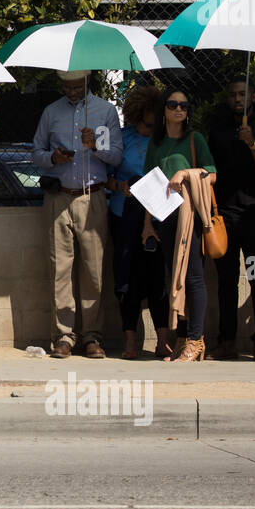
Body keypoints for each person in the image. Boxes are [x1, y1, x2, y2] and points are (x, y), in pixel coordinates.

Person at [32, 70, 124, 358]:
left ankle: (92, 337)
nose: (71, 92)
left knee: (93, 271)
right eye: (67, 88)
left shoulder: (105, 111)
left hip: (92, 196)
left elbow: (117, 155)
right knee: (59, 269)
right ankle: (63, 336)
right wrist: (52, 158)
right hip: (60, 197)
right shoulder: (50, 112)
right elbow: (36, 152)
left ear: (87, 84)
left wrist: (95, 146)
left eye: (76, 88)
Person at [207, 79, 255, 361]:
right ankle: (226, 341)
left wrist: (252, 143)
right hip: (226, 216)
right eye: (233, 94)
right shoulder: (218, 129)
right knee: (226, 281)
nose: (237, 99)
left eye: (242, 94)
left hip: (254, 216)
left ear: (254, 96)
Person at [142, 87, 217, 362]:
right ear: (163, 109)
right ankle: (183, 337)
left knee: (194, 277)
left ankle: (196, 340)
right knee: (173, 277)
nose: (178, 109)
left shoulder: (195, 139)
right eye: (173, 104)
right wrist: (147, 223)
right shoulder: (156, 143)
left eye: (184, 106)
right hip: (164, 216)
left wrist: (186, 172)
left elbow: (212, 174)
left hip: (191, 216)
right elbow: (149, 181)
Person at [106, 85, 166, 360]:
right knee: (127, 279)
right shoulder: (123, 138)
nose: (149, 129)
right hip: (124, 215)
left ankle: (163, 341)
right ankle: (130, 340)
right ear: (135, 117)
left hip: (158, 215)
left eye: (155, 124)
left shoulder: (166, 140)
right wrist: (120, 186)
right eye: (145, 123)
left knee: (158, 280)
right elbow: (105, 177)